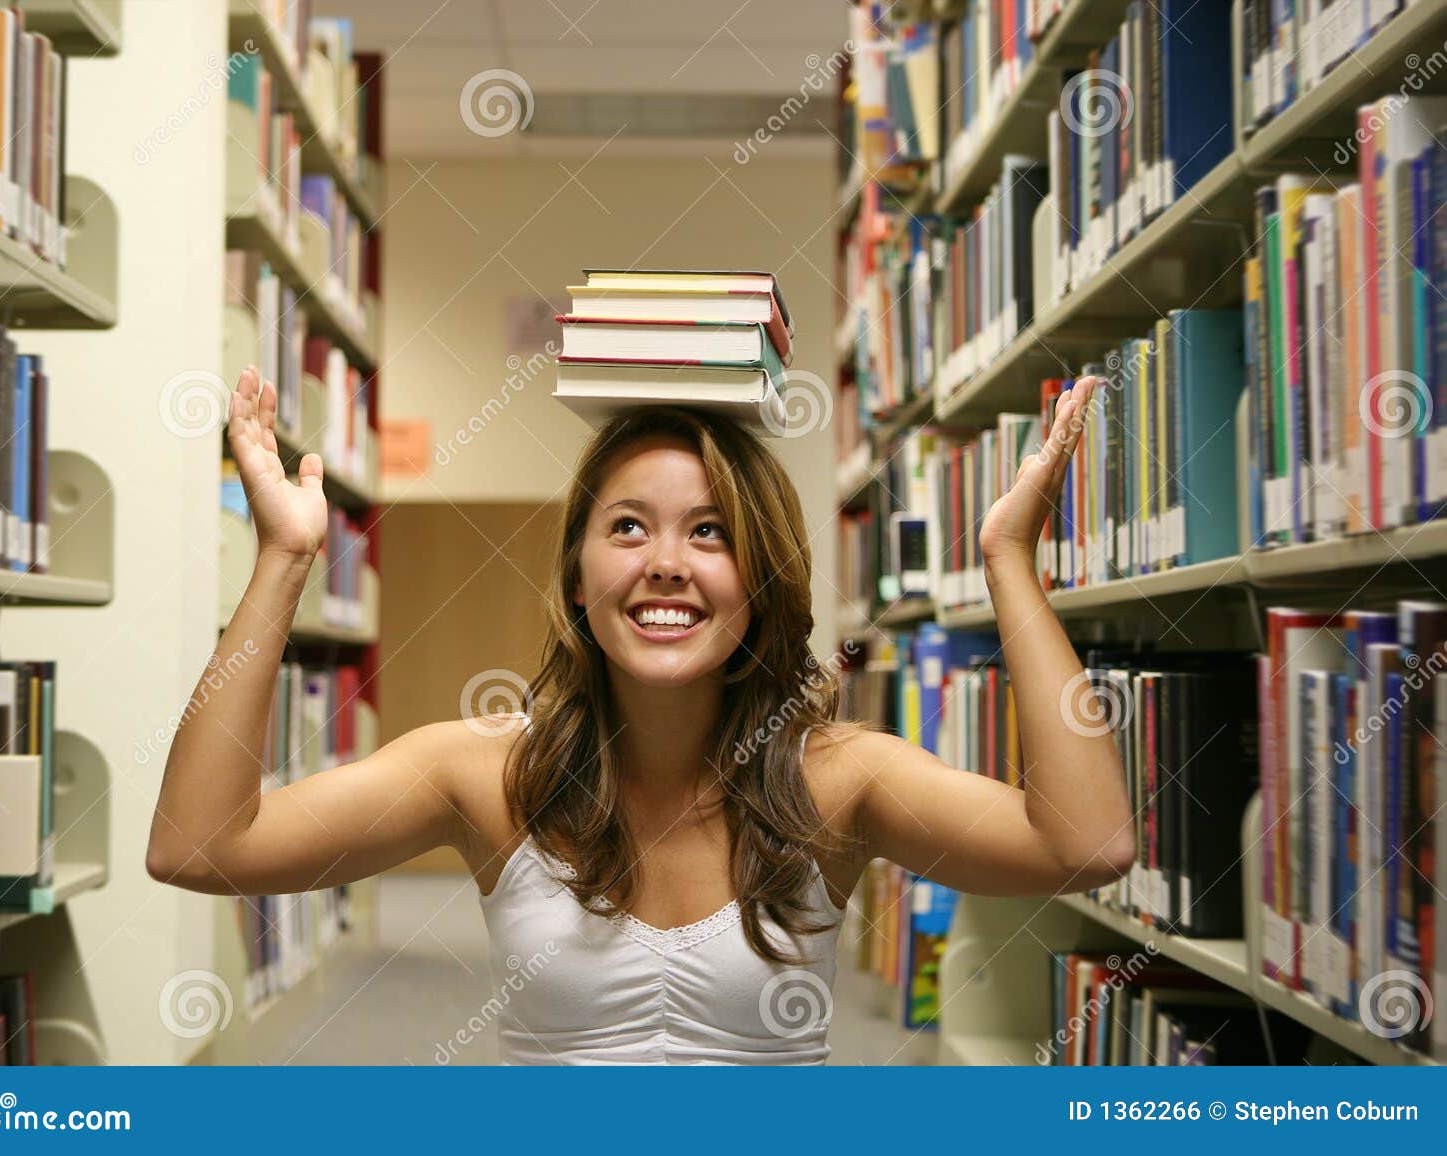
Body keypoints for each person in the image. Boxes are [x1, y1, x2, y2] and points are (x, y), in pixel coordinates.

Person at [146, 366, 1135, 1065]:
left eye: (710, 531)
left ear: (760, 574)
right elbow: (199, 846)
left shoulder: (838, 778)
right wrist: (283, 558)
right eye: (628, 527)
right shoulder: (484, 775)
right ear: (578, 574)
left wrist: (1008, 559)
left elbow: (1084, 842)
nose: (666, 561)